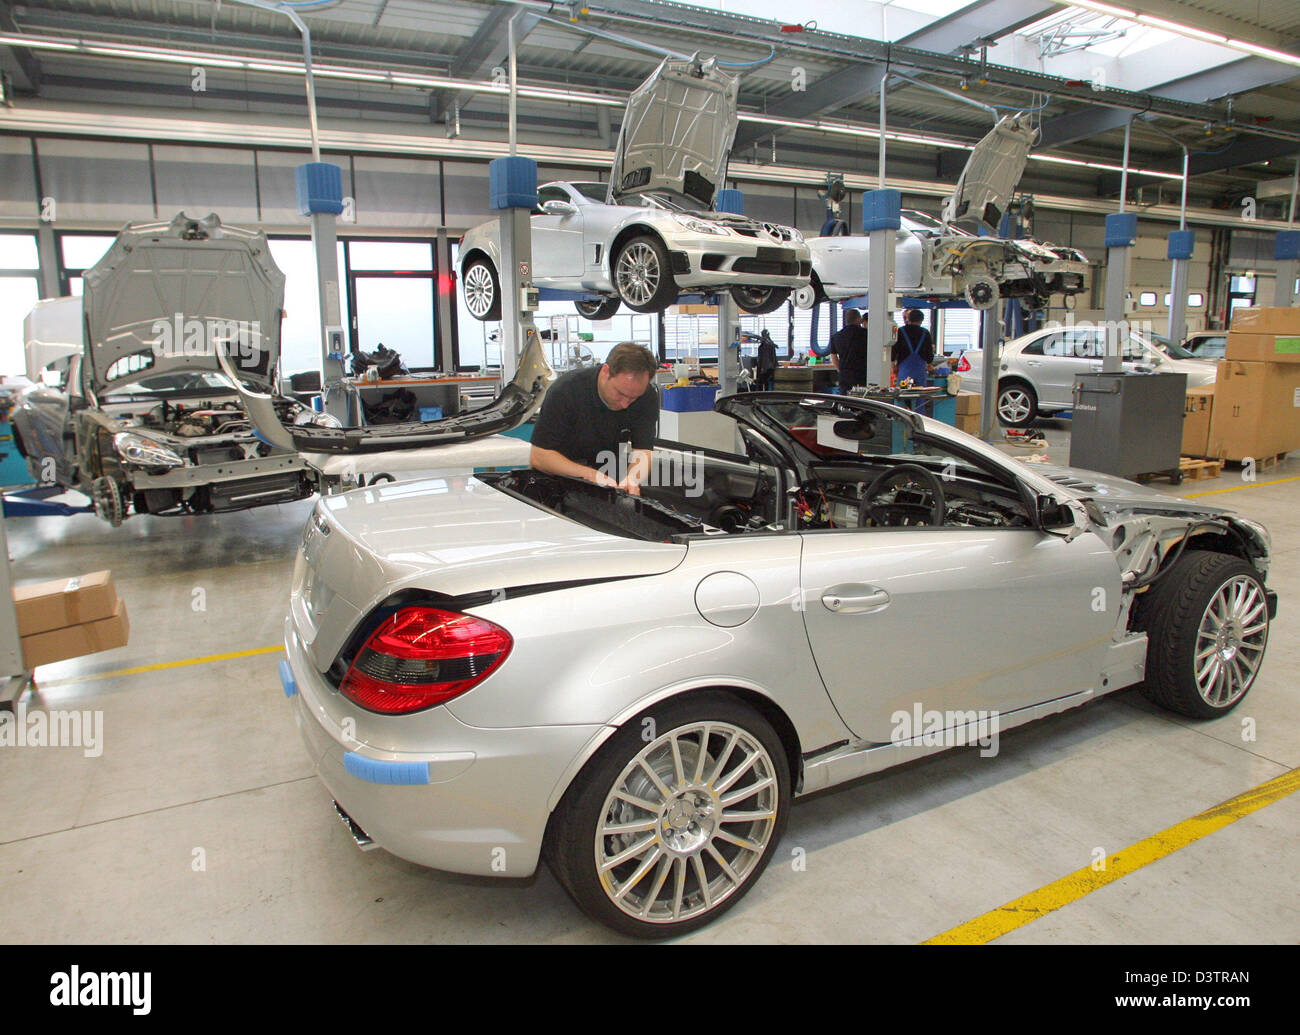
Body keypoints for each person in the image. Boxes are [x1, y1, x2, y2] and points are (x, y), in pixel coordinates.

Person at [529, 341, 659, 495]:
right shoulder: (566, 390)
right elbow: (539, 456)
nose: (625, 404)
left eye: (633, 398)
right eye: (620, 394)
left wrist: (632, 480)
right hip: (557, 483)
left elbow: (643, 450)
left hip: (606, 479)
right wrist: (589, 474)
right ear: (606, 371)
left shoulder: (646, 395)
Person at [828, 308, 869, 392]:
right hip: (861, 374)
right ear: (859, 319)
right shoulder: (865, 334)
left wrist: (841, 370)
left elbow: (833, 356)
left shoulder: (836, 336)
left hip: (845, 375)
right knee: (861, 400)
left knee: (845, 401)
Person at [893, 308, 936, 386]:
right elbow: (929, 354)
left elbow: (894, 350)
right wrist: (930, 363)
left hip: (905, 370)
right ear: (921, 320)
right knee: (919, 394)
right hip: (919, 370)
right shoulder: (925, 333)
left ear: (908, 319)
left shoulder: (900, 331)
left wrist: (893, 365)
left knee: (903, 394)